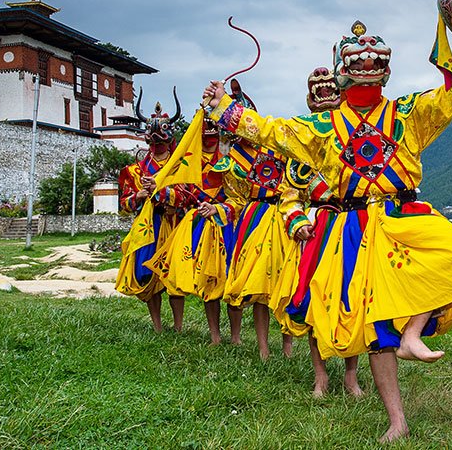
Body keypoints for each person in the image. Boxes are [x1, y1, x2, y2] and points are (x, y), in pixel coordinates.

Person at [201, 20, 452, 442]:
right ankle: (397, 420)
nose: (367, 68)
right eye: (359, 63)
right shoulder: (321, 128)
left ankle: (412, 333)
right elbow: (271, 131)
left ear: (385, 71)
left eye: (375, 62)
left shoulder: (406, 113)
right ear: (344, 71)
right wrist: (224, 108)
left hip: (401, 214)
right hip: (353, 230)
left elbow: (447, 100)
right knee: (374, 327)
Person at [274, 67, 362, 397]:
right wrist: (297, 221)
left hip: (353, 226)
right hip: (318, 232)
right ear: (310, 102)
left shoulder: (356, 138)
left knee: (351, 300)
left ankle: (351, 376)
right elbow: (289, 195)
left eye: (331, 93)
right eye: (318, 94)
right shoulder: (302, 147)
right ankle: (321, 376)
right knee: (314, 303)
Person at [218, 79, 312, 360]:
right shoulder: (233, 158)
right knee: (259, 288)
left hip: (283, 214)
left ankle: (287, 347)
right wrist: (221, 209)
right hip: (254, 218)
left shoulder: (277, 146)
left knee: (286, 280)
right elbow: (235, 197)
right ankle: (263, 348)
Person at [146, 118, 243, 345]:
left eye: (213, 130)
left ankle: (236, 337)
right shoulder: (190, 163)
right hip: (200, 226)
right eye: (205, 130)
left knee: (232, 280)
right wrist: (159, 191)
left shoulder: (232, 160)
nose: (209, 135)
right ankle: (215, 335)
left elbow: (240, 197)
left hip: (228, 225)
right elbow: (181, 195)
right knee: (208, 281)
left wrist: (221, 208)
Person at [115, 89, 199, 333]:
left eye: (160, 137)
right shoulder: (135, 171)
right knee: (147, 274)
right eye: (152, 138)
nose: (156, 142)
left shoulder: (180, 167)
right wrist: (138, 196)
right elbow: (124, 204)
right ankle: (157, 325)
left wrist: (162, 192)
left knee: (173, 276)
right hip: (147, 227)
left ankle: (179, 325)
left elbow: (190, 197)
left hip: (174, 225)